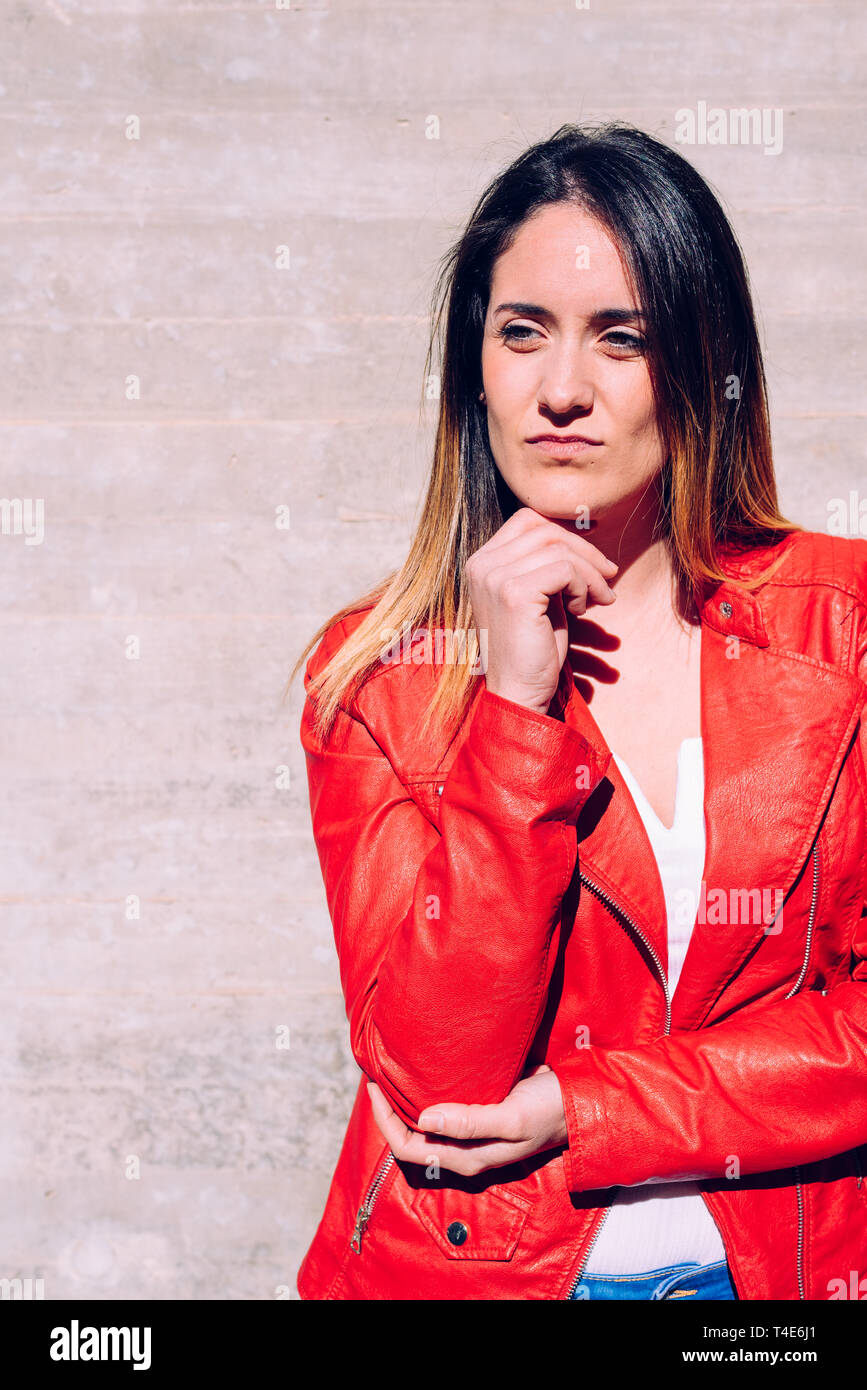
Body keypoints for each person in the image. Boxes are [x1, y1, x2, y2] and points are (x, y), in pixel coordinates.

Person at [289, 122, 867, 1301]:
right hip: (481, 1277)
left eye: (622, 340)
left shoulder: (842, 627)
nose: (563, 391)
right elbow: (439, 1071)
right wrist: (512, 707)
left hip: (784, 1283)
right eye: (523, 334)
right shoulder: (380, 678)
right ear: (476, 369)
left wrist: (593, 1105)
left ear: (704, 365)